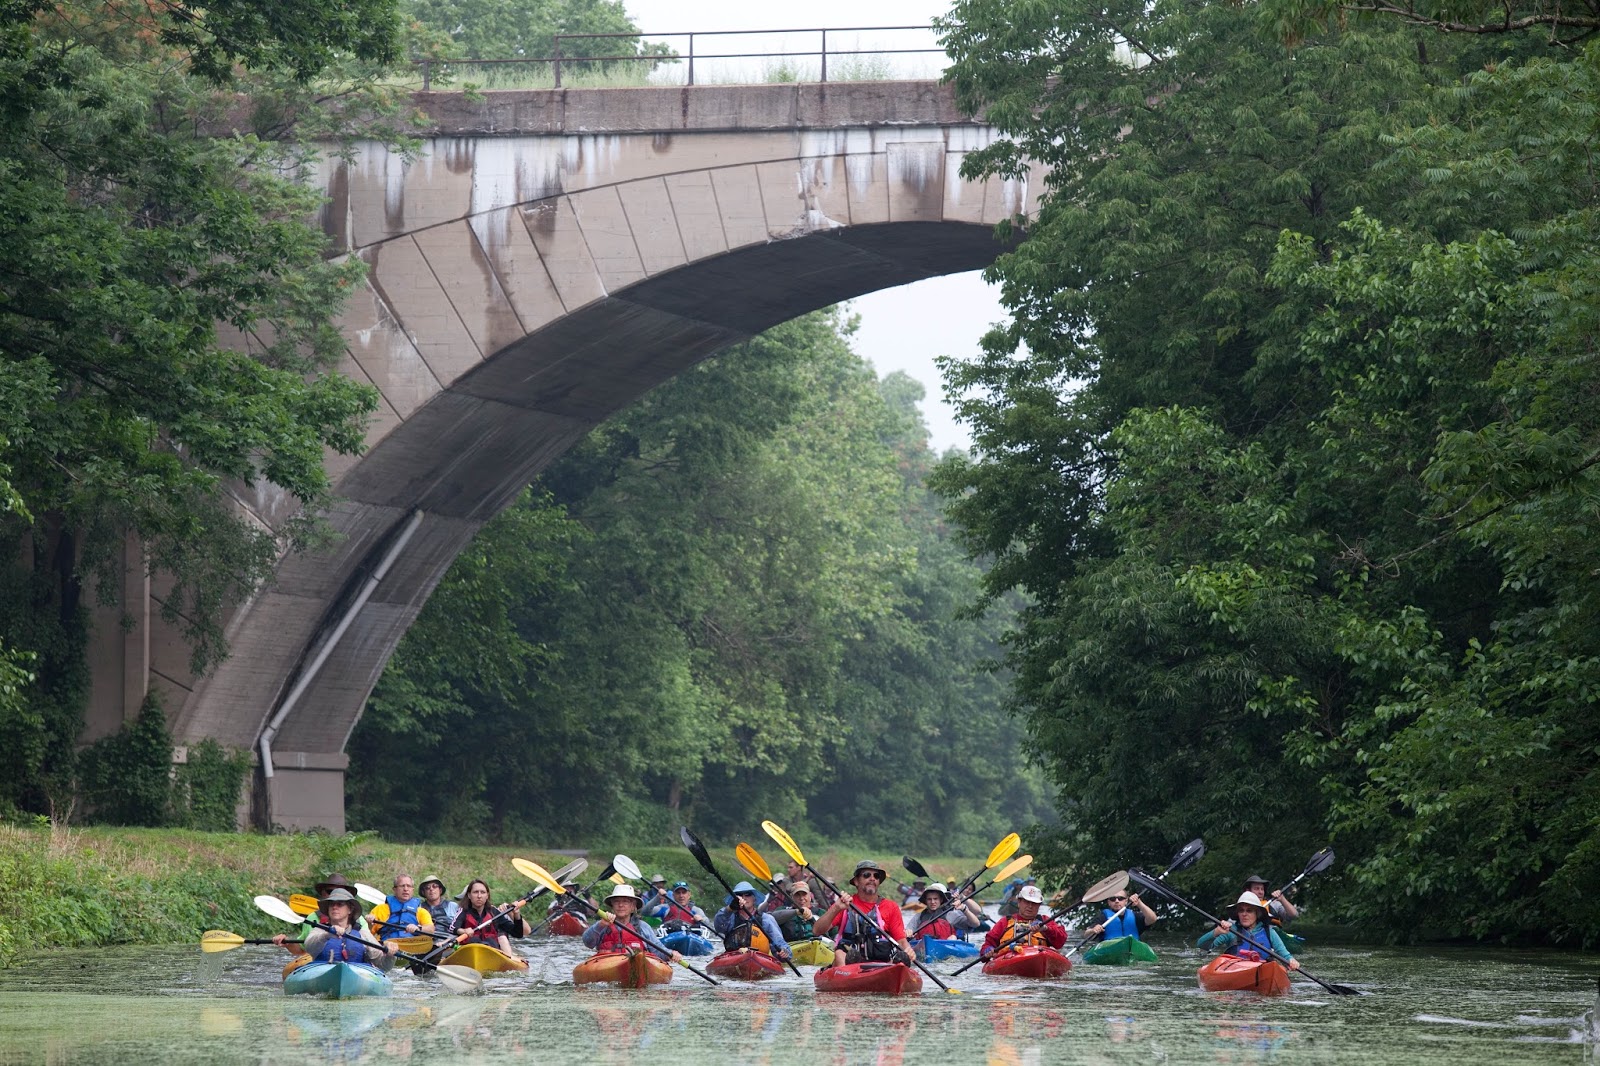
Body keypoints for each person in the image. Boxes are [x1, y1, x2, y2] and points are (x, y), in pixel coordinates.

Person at [815, 860, 915, 968]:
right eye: (867, 875)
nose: (872, 878)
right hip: (849, 965)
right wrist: (836, 908)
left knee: (902, 958)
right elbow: (817, 930)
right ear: (856, 881)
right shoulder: (845, 904)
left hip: (881, 964)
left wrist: (908, 951)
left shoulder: (891, 907)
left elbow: (901, 941)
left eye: (876, 876)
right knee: (840, 954)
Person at [1198, 892, 1300, 969]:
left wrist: (1291, 961)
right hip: (1236, 972)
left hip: (1263, 971)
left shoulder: (1270, 932)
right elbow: (1202, 945)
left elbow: (1284, 954)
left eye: (1249, 910)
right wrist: (1217, 932)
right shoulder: (1231, 931)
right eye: (1241, 910)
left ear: (1257, 914)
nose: (1244, 914)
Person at [582, 884, 683, 961]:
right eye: (616, 901)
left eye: (625, 901)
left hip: (637, 963)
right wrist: (601, 925)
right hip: (607, 964)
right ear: (612, 905)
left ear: (633, 906)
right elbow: (587, 942)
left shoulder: (643, 927)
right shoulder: (603, 924)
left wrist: (671, 953)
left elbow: (657, 950)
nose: (620, 905)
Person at [302, 888, 398, 969]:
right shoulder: (320, 931)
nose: (335, 907)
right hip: (322, 972)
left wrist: (390, 955)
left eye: (340, 904)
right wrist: (326, 935)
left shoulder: (363, 934)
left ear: (350, 910)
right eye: (331, 904)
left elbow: (383, 965)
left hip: (357, 975)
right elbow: (309, 947)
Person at [712, 882, 793, 961]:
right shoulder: (729, 917)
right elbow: (718, 926)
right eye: (739, 895)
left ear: (754, 898)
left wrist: (784, 952)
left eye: (747, 894)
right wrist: (729, 908)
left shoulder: (766, 919)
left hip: (760, 960)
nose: (743, 897)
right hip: (734, 958)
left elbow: (779, 942)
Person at [981, 885, 1067, 957]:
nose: (1030, 906)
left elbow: (1060, 942)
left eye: (1034, 903)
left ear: (1039, 905)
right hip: (1009, 959)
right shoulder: (1005, 922)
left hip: (1038, 957)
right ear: (1019, 902)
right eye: (1027, 902)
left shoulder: (1045, 921)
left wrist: (1046, 929)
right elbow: (988, 944)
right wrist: (988, 950)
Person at [449, 879, 531, 955]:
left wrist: (516, 915)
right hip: (470, 951)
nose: (479, 896)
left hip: (491, 951)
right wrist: (463, 930)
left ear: (487, 895)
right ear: (469, 895)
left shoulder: (494, 912)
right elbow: (452, 927)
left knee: (493, 940)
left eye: (482, 892)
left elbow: (517, 933)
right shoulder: (463, 911)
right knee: (474, 940)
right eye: (475, 892)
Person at [369, 874, 434, 943]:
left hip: (412, 946)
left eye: (408, 886)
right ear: (395, 889)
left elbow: (431, 929)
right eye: (402, 886)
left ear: (412, 890)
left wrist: (418, 928)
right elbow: (367, 932)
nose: (405, 889)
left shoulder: (421, 911)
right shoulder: (380, 909)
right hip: (386, 946)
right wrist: (369, 922)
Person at [911, 883, 985, 942]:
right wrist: (908, 932)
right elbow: (908, 931)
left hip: (949, 943)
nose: (933, 902)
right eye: (929, 899)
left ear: (941, 899)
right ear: (925, 901)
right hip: (924, 946)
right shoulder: (919, 917)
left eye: (936, 899)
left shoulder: (951, 914)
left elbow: (976, 924)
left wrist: (964, 909)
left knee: (952, 938)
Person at [1085, 888, 1159, 942]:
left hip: (1132, 947)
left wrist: (1139, 904)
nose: (1117, 901)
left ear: (1126, 901)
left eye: (1120, 898)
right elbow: (1086, 934)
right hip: (1110, 948)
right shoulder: (1103, 916)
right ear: (1109, 902)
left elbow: (1152, 919)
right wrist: (1093, 930)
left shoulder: (1135, 916)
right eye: (1113, 899)